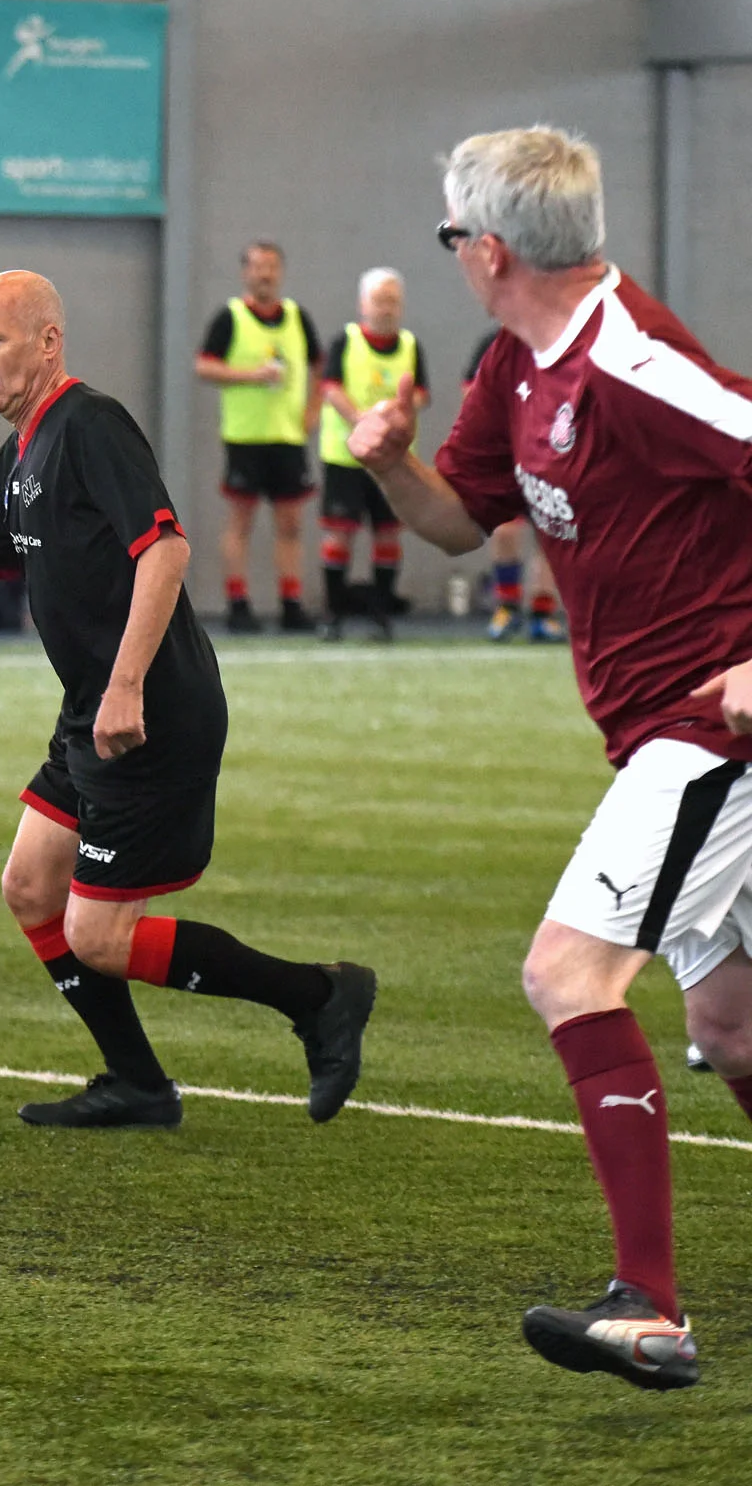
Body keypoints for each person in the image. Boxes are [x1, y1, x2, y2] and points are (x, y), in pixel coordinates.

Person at [349, 125, 752, 1390]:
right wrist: (387, 463)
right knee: (733, 1032)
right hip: (654, 731)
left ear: (492, 249)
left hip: (711, 730)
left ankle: (651, 1309)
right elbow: (462, 525)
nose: (454, 255)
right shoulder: (516, 366)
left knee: (567, 973)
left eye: (452, 237)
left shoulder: (633, 364)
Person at [0, 269, 375, 1131]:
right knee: (28, 887)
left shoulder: (89, 424)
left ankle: (319, 995)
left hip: (149, 715)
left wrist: (126, 685)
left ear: (47, 342)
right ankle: (137, 1083)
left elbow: (164, 550)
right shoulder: (20, 452)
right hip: (93, 711)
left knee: (101, 937)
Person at [197, 241, 322, 633]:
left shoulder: (298, 318)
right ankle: (237, 602)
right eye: (257, 267)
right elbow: (205, 367)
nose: (265, 273)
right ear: (245, 273)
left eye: (271, 266)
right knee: (240, 522)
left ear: (280, 272)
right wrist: (252, 375)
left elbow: (319, 365)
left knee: (291, 524)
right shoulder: (231, 318)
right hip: (245, 437)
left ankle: (291, 602)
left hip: (287, 436)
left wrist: (313, 409)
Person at [314, 268, 429, 639]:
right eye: (380, 300)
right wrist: (361, 420)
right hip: (346, 457)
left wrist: (396, 414)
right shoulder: (346, 342)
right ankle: (333, 614)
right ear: (364, 304)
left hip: (392, 461)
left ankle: (381, 613)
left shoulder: (410, 345)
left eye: (393, 300)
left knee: (388, 534)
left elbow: (422, 394)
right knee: (339, 534)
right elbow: (330, 388)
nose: (387, 308)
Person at [462, 330, 567, 644]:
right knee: (506, 530)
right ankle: (506, 607)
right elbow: (471, 393)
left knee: (549, 536)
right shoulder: (493, 344)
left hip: (549, 456)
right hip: (506, 456)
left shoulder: (559, 341)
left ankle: (542, 612)